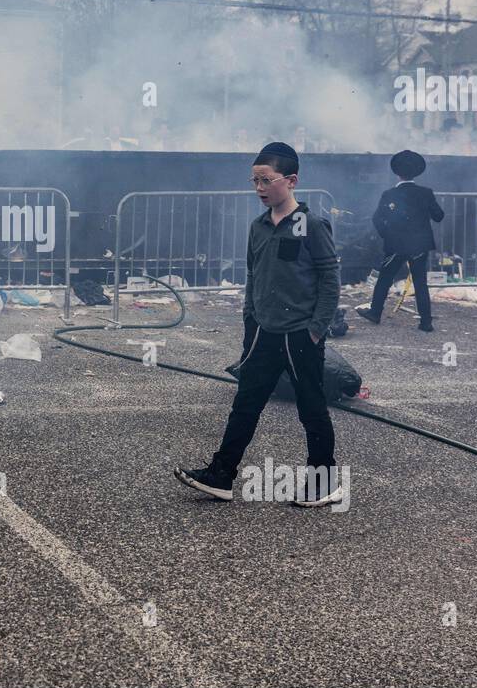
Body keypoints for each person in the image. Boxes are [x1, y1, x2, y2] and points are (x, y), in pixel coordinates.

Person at [174, 141, 342, 507]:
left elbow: (330, 279)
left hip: (300, 333)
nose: (259, 189)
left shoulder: (311, 224)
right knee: (245, 404)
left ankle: (324, 483)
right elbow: (253, 273)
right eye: (254, 181)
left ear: (291, 180)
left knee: (311, 408)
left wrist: (316, 329)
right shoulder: (259, 226)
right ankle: (221, 475)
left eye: (266, 180)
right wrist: (249, 316)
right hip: (262, 331)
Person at [357, 150, 444, 332]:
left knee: (384, 279)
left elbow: (377, 219)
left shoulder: (389, 194)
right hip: (420, 245)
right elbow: (439, 216)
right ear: (417, 171)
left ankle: (375, 312)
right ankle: (426, 322)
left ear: (397, 172)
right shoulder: (426, 193)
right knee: (420, 282)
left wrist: (388, 236)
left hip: (395, 245)